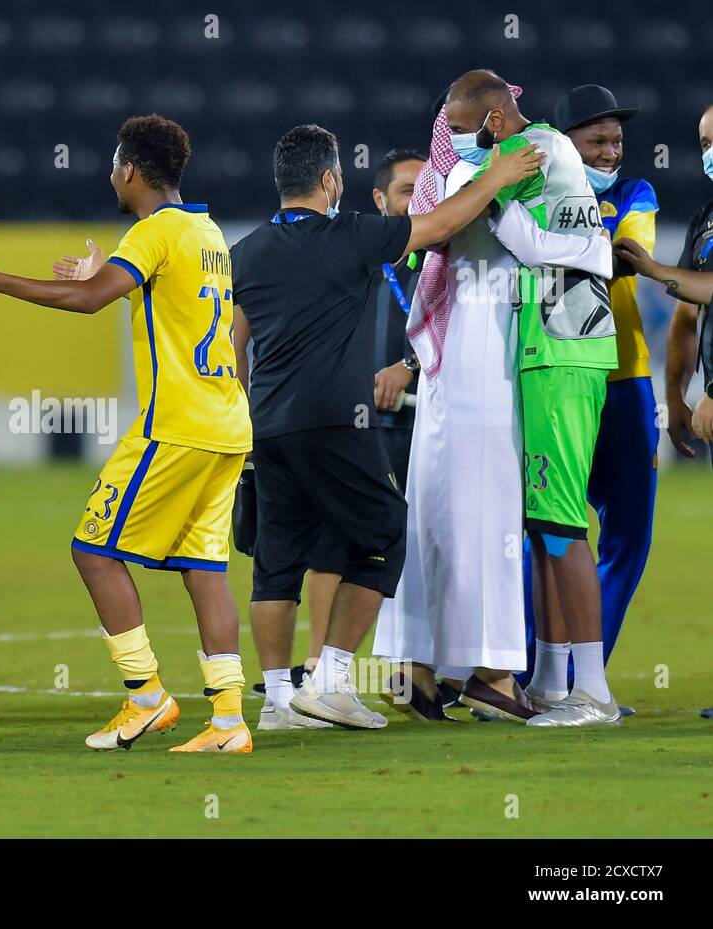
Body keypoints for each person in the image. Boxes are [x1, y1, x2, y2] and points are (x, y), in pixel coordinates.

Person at [0, 114, 257, 753]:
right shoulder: (206, 231)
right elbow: (171, 305)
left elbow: (87, 302)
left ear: (131, 170)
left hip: (176, 425)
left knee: (94, 550)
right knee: (204, 569)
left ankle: (146, 697)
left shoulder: (153, 231)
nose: (110, 174)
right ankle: (228, 721)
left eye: (114, 164)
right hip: (228, 423)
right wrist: (102, 273)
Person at [231, 121, 541, 731]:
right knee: (383, 536)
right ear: (329, 180)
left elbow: (232, 342)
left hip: (267, 425)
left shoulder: (247, 251)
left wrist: (248, 411)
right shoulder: (349, 234)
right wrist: (498, 177)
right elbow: (439, 226)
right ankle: (332, 680)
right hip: (335, 422)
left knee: (277, 563)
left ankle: (274, 702)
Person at [374, 73, 615, 725]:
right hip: (488, 367)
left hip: (454, 369)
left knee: (438, 516)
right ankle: (491, 671)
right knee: (492, 522)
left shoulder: (464, 173)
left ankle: (418, 665)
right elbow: (498, 228)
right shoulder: (475, 179)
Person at [462, 73, 622, 727]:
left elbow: (515, 236)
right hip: (550, 346)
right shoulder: (549, 156)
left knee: (561, 525)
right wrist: (591, 249)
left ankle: (596, 692)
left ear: (495, 121)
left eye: (469, 129)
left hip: (563, 347)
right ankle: (554, 679)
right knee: (543, 527)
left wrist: (482, 192)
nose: (467, 144)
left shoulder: (540, 148)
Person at [516, 85, 659, 714]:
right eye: (596, 140)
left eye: (617, 142)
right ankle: (547, 671)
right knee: (549, 524)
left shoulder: (634, 196)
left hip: (620, 376)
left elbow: (629, 257)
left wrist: (574, 233)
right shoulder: (544, 184)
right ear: (564, 142)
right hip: (567, 364)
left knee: (620, 534)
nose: (610, 152)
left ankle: (586, 675)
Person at [615, 105, 713, 721]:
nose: (708, 151)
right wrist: (674, 396)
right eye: (703, 140)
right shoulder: (707, 217)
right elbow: (685, 315)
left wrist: (649, 268)